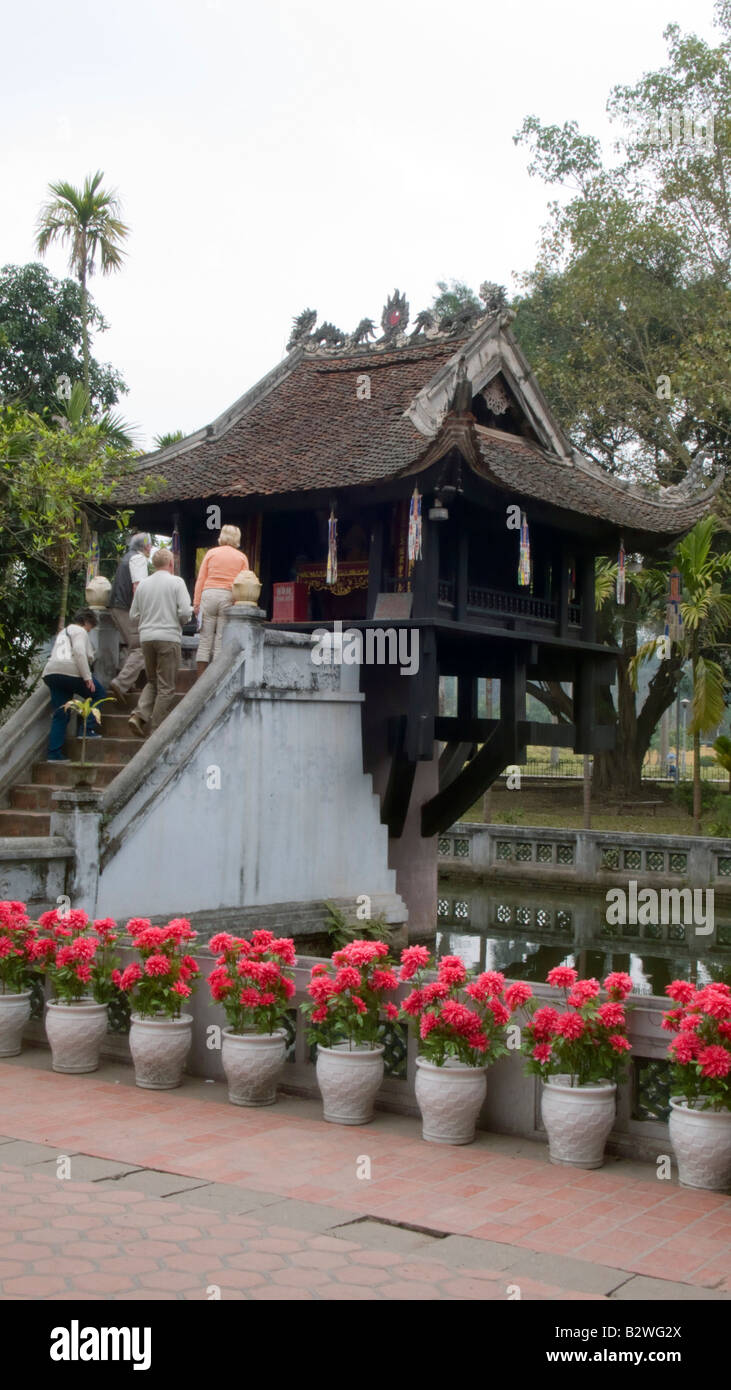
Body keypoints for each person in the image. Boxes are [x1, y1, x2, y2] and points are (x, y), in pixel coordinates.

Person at [128, 548, 193, 737]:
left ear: (153, 564)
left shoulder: (143, 585)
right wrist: (180, 622)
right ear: (171, 564)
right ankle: (156, 730)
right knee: (167, 687)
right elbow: (184, 612)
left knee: (152, 681)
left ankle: (139, 715)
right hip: (168, 637)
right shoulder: (176, 582)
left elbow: (133, 615)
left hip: (146, 638)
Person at [41, 609, 106, 762]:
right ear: (87, 622)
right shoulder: (80, 631)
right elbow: (79, 652)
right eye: (91, 626)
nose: (90, 630)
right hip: (69, 671)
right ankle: (87, 729)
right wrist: (87, 677)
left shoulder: (64, 632)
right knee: (99, 694)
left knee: (61, 713)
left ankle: (54, 754)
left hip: (51, 673)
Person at [193, 524, 248, 677]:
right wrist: (238, 604)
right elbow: (244, 582)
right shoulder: (241, 557)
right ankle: (214, 679)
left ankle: (200, 680)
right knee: (220, 640)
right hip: (228, 595)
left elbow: (201, 579)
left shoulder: (211, 553)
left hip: (208, 594)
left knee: (204, 640)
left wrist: (196, 603)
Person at [108, 533, 152, 705]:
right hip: (128, 608)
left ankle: (129, 683)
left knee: (132, 646)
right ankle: (121, 683)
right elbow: (138, 587)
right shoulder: (139, 559)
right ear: (146, 546)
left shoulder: (128, 558)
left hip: (118, 606)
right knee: (141, 648)